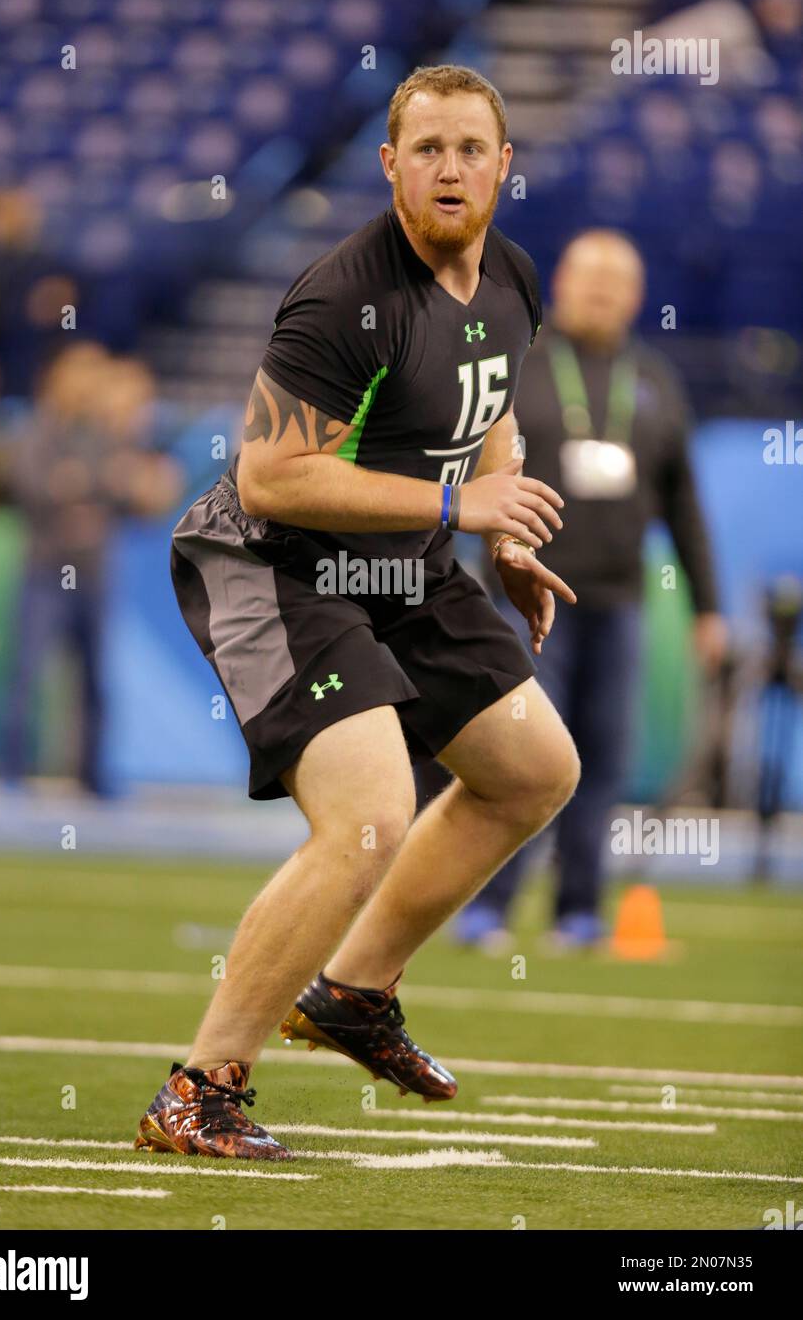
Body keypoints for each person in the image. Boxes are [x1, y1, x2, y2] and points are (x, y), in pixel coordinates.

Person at [134, 64, 581, 1162]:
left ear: (503, 165)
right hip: (270, 562)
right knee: (370, 813)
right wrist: (454, 503)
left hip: (400, 561)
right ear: (388, 166)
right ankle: (198, 1087)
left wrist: (505, 529)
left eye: (470, 148)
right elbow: (273, 477)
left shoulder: (513, 278)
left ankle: (353, 993)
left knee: (533, 768)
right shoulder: (344, 294)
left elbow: (491, 413)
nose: (448, 168)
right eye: (425, 148)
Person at [441, 229, 726, 952]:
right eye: (588, 276)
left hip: (620, 600)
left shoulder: (655, 378)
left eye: (616, 280)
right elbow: (469, 476)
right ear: (561, 282)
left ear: (635, 295)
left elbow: (683, 502)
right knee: (525, 757)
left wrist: (708, 608)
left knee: (602, 758)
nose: (600, 291)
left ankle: (579, 911)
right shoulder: (519, 366)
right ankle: (490, 907)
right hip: (527, 597)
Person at [0, 345, 181, 795]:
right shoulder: (37, 430)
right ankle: (11, 776)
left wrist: (92, 485)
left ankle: (92, 777)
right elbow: (30, 486)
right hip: (45, 571)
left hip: (94, 572)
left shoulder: (104, 436)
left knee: (95, 678)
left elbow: (131, 493)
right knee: (26, 672)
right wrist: (87, 487)